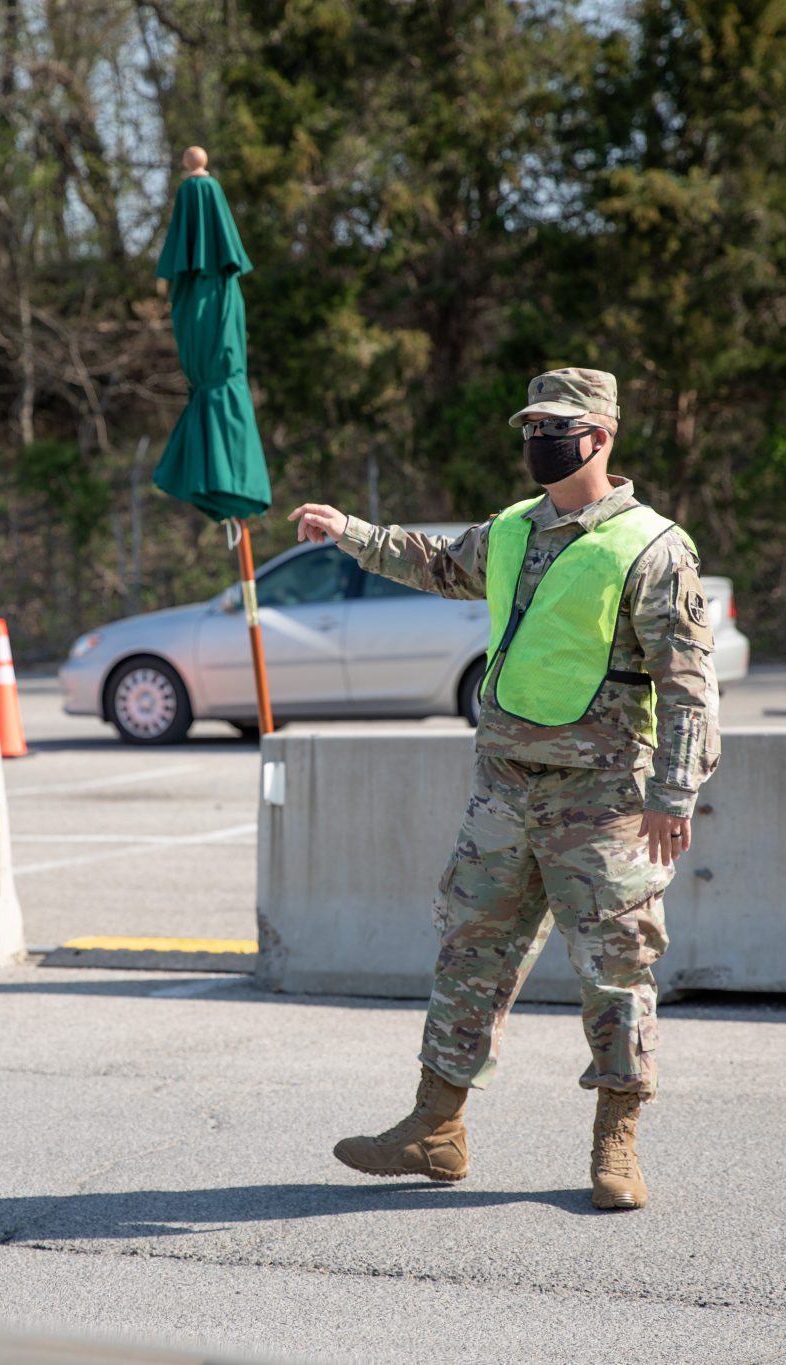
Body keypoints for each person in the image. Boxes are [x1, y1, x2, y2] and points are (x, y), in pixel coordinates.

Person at [287, 367, 720, 1210]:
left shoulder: (654, 546)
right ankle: (434, 1128)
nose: (536, 442)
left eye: (554, 428)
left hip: (603, 796)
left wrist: (675, 792)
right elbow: (436, 561)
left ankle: (616, 1139)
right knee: (469, 950)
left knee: (616, 968)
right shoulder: (513, 529)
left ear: (600, 437)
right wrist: (348, 530)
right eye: (528, 428)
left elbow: (690, 683)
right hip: (504, 784)